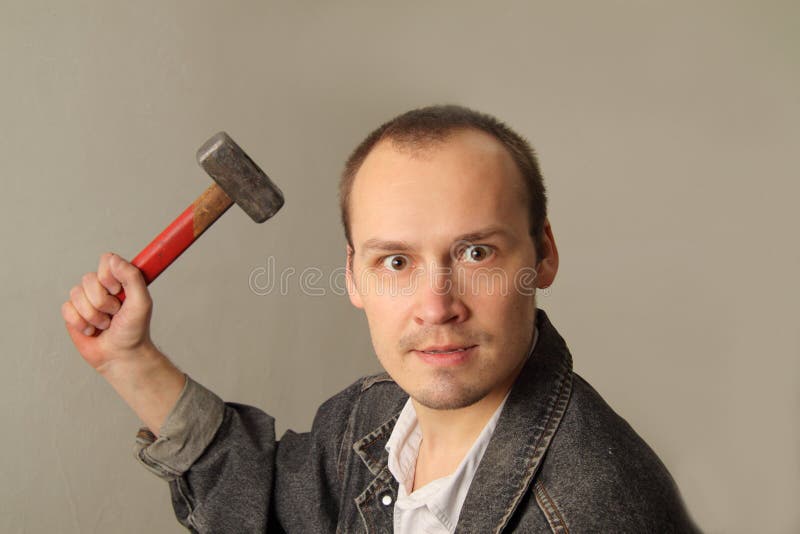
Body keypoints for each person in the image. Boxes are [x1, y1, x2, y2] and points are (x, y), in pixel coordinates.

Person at [62, 105, 699, 533]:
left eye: (476, 252)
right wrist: (129, 360)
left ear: (545, 255)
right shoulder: (374, 419)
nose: (436, 305)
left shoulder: (598, 509)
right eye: (395, 261)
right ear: (353, 277)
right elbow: (268, 503)